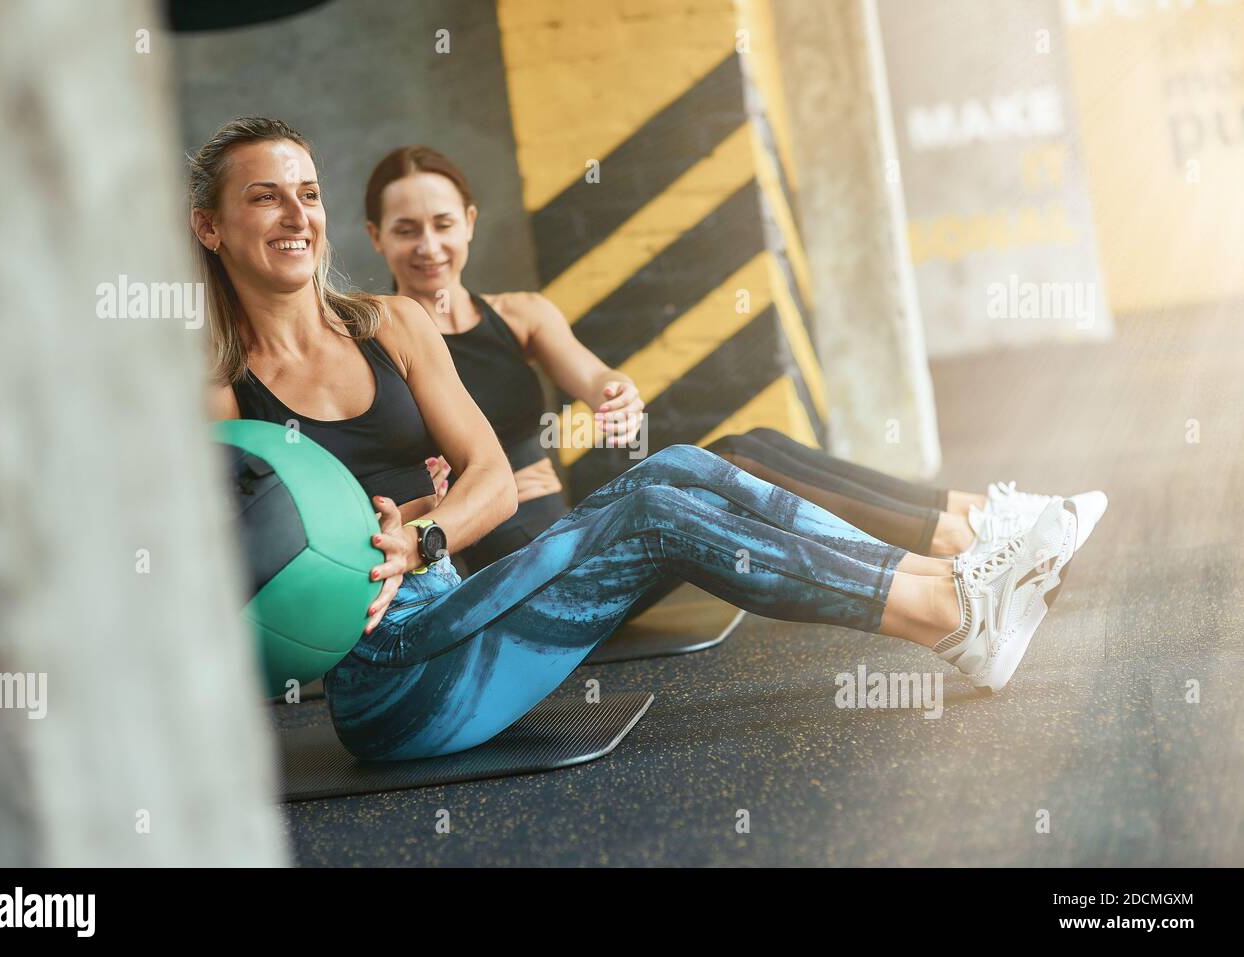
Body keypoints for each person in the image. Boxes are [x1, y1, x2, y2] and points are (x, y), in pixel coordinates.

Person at [193, 117, 1081, 761]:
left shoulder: (389, 323)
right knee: (659, 508)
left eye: (305, 193)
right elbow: (228, 602)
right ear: (210, 226)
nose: (293, 215)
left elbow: (493, 478)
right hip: (392, 683)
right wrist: (348, 570)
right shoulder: (218, 400)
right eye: (263, 198)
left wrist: (421, 536)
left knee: (683, 464)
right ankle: (951, 614)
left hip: (458, 596)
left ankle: (951, 589)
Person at [361, 145, 1107, 575]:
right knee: (734, 467)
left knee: (750, 448)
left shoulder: (520, 314)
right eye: (405, 231)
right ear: (375, 238)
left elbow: (596, 380)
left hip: (560, 522)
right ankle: (964, 541)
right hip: (517, 567)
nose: (428, 247)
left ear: (469, 224)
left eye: (441, 224)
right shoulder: (375, 340)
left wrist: (615, 396)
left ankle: (975, 514)